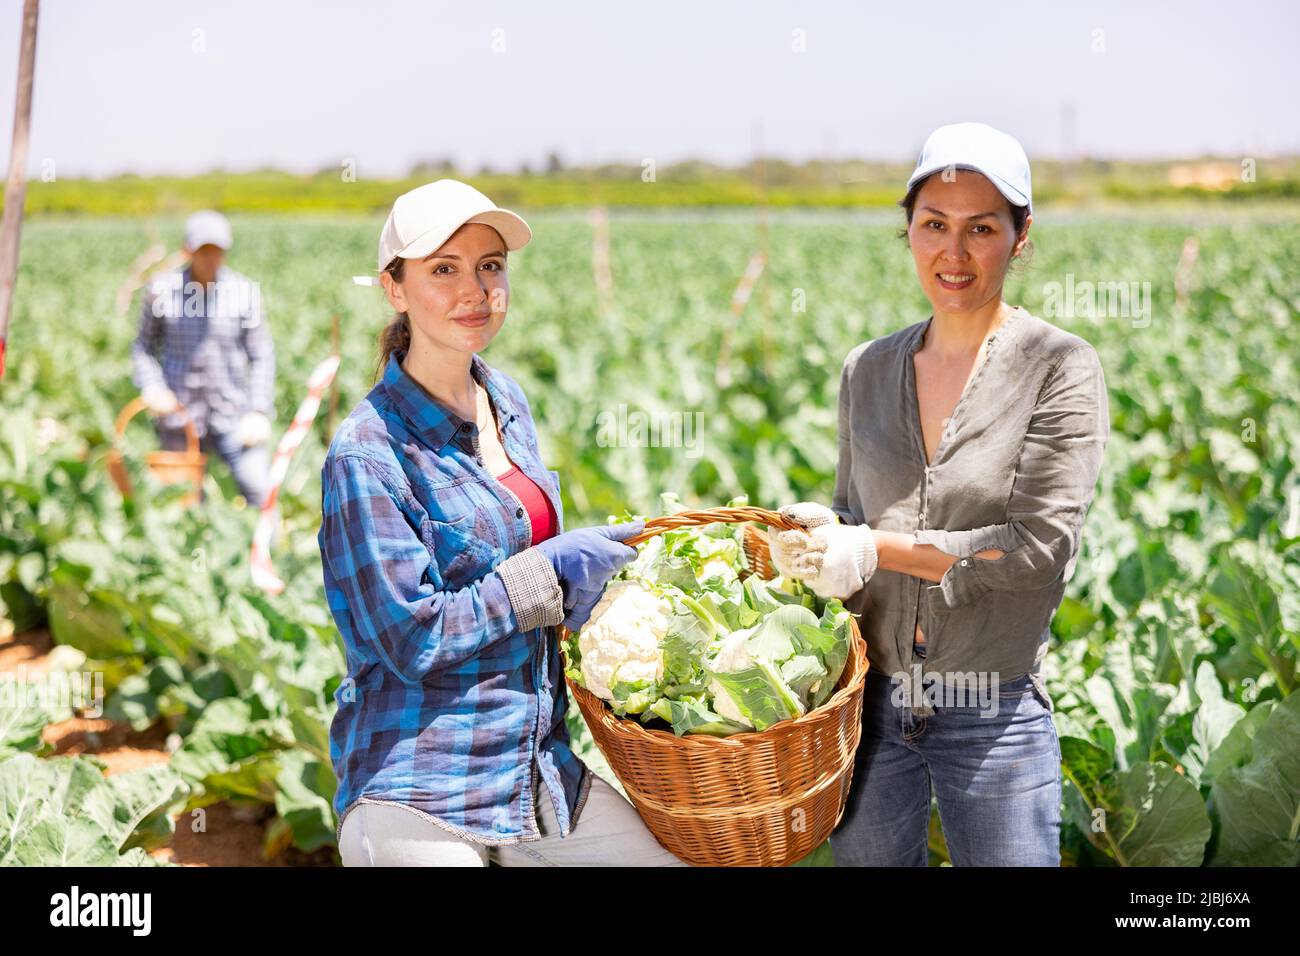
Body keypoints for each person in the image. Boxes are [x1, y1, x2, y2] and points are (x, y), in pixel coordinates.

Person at [769, 123, 1110, 866]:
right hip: (869, 714)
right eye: (934, 226)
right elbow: (856, 515)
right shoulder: (868, 368)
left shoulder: (1059, 368)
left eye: (981, 228)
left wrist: (874, 548)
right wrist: (824, 533)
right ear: (909, 232)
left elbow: (1036, 552)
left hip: (994, 713)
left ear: (1020, 238)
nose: (952, 254)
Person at [319, 179, 685, 866]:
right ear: (394, 289)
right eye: (443, 270)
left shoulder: (506, 399)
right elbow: (408, 637)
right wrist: (541, 576)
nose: (475, 290)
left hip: (536, 769)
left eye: (490, 266)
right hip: (420, 784)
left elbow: (529, 565)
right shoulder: (366, 452)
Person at [131, 210, 275, 507]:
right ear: (188, 250)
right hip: (179, 419)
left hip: (233, 415)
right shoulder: (160, 292)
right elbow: (143, 347)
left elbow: (261, 354)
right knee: (182, 505)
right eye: (203, 251)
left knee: (260, 492)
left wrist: (258, 410)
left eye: (217, 251)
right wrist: (153, 388)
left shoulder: (244, 292)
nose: (211, 259)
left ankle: (269, 553)